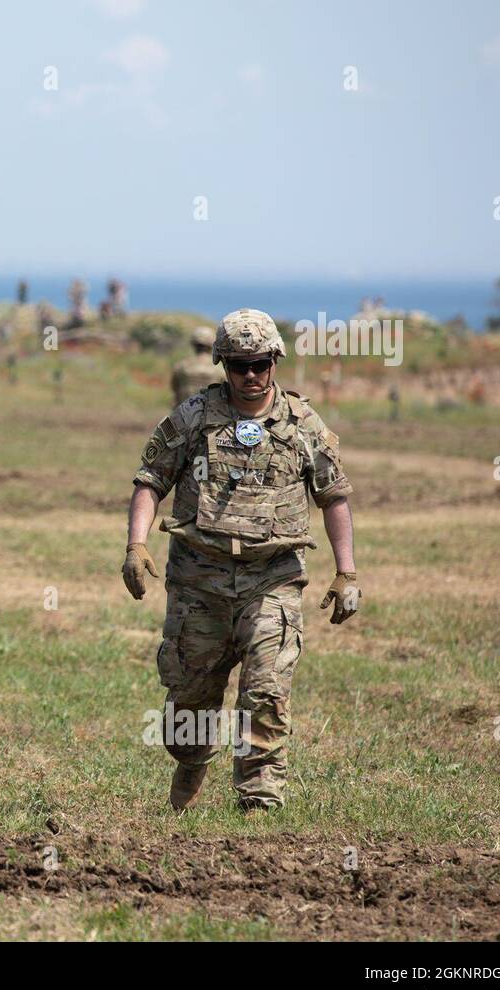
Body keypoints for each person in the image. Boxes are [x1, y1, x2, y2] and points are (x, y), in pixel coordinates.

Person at [122, 309, 360, 813]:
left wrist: (346, 571)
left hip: (273, 578)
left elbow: (334, 495)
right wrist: (136, 545)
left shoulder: (302, 426)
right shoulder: (192, 418)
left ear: (275, 361)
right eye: (237, 365)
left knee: (267, 688)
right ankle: (192, 761)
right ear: (221, 364)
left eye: (258, 364)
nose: (249, 375)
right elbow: (150, 480)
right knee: (190, 700)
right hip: (198, 582)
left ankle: (259, 800)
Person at [171, 326, 223, 404]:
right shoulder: (219, 368)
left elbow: (175, 389)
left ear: (194, 343)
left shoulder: (181, 366)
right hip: (211, 414)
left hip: (183, 413)